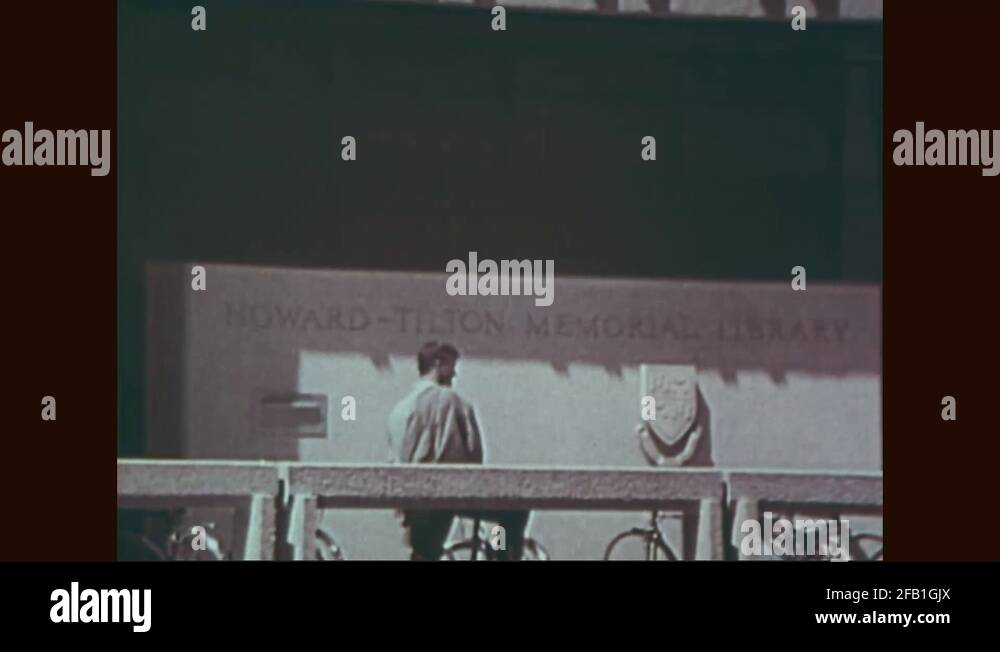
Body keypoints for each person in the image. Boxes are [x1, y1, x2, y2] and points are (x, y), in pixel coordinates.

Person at [387, 341, 530, 560]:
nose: (454, 374)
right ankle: (502, 552)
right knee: (513, 512)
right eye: (452, 366)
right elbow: (471, 456)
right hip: (445, 495)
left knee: (426, 551)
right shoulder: (453, 402)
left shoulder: (401, 408)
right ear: (438, 364)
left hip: (412, 500)